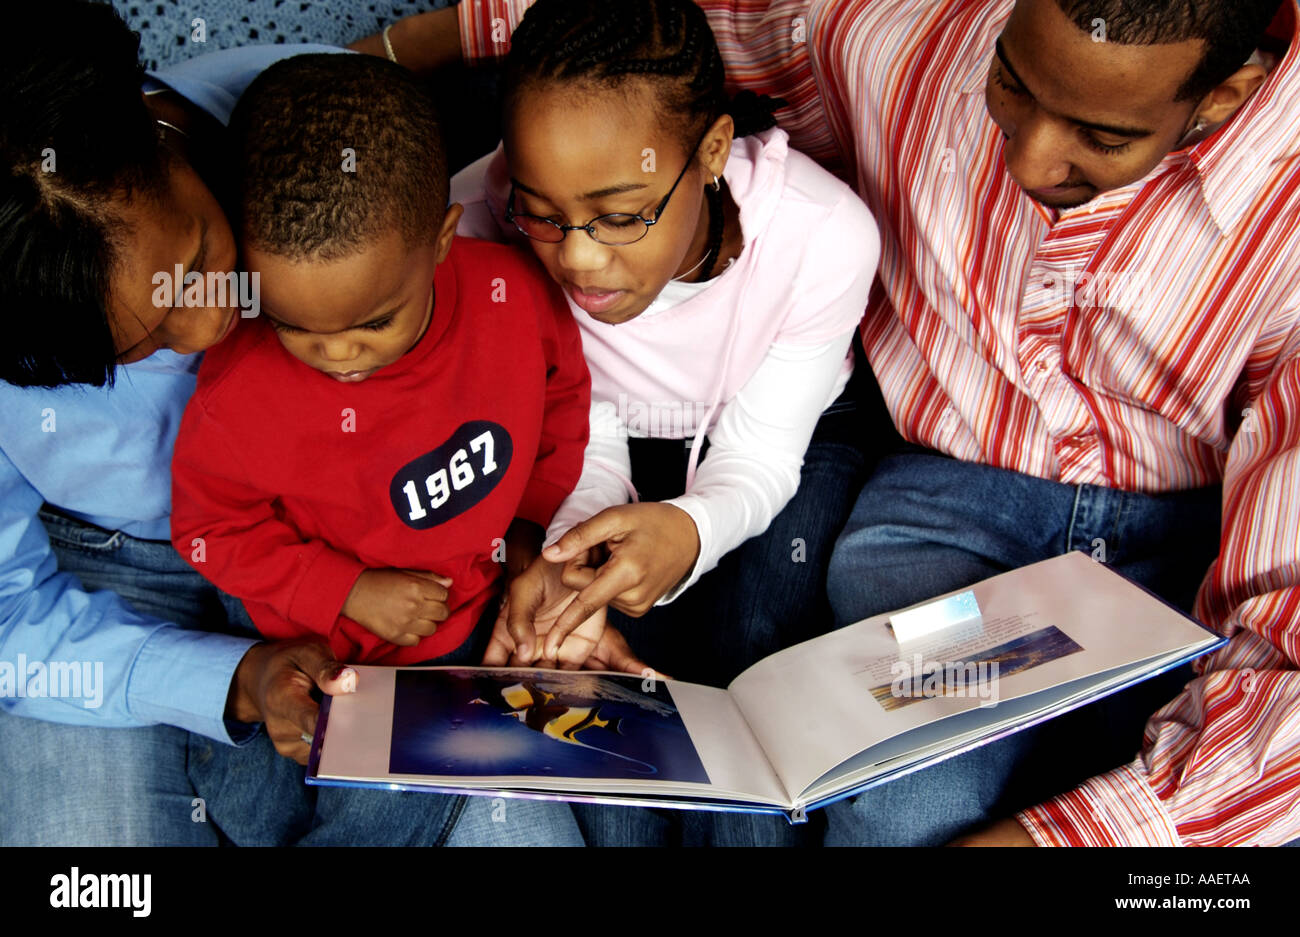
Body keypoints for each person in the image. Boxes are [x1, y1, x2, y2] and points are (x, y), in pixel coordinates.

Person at [432, 0, 1300, 846]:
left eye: (1104, 137)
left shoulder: (1286, 217)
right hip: (948, 522)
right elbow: (654, 33)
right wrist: (386, 55)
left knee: (1127, 750)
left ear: (1218, 98)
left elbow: (1284, 651)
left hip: (1175, 547)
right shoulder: (901, 35)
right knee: (898, 804)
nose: (1032, 161)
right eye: (1011, 84)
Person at [0, 1, 605, 845]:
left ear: (155, 121)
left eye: (202, 265)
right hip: (108, 583)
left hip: (396, 569)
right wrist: (231, 676)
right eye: (131, 353)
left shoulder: (322, 133)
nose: (210, 331)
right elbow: (8, 621)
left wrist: (526, 542)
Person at [451, 0, 883, 691]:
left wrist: (692, 531)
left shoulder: (823, 235)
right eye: (541, 214)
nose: (580, 261)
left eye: (621, 217)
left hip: (789, 428)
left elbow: (760, 456)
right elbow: (576, 421)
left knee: (753, 640)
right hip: (588, 433)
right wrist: (569, 555)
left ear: (712, 150)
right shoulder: (474, 232)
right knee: (589, 654)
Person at [171, 52, 591, 677]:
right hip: (301, 636)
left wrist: (530, 522)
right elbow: (210, 528)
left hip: (468, 619)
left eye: (373, 322)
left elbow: (563, 400)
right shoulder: (237, 390)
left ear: (443, 239)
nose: (338, 354)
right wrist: (347, 589)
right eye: (292, 324)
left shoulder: (515, 297)